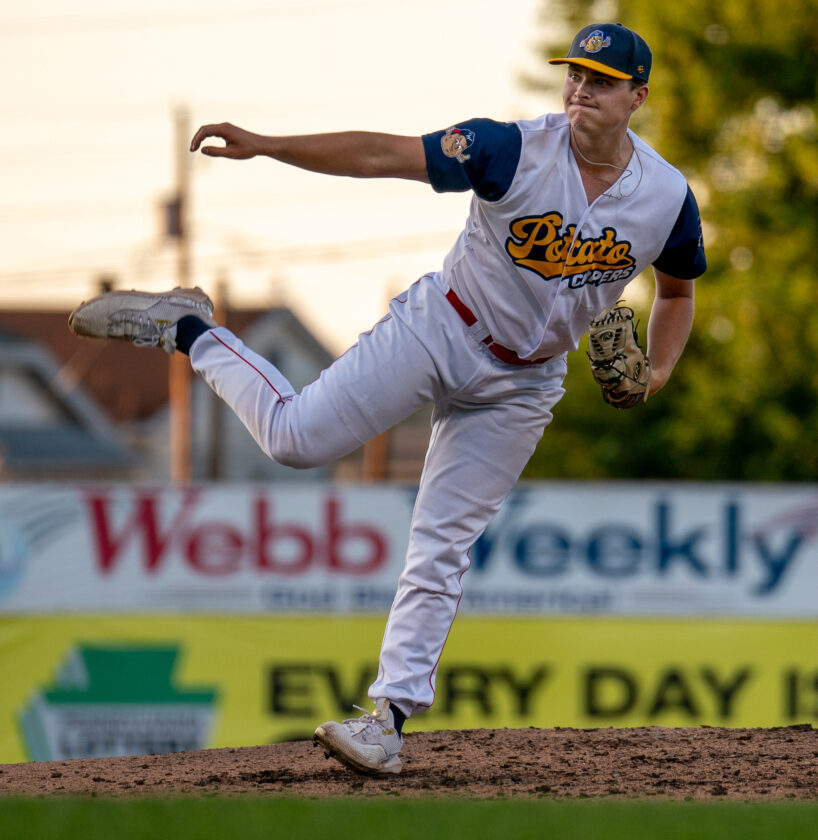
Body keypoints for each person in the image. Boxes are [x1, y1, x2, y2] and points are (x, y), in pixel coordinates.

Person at [69, 22, 706, 775]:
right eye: (574, 75)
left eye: (600, 81)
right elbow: (382, 153)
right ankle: (190, 328)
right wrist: (271, 145)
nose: (580, 90)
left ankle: (387, 722)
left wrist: (658, 373)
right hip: (443, 327)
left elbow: (677, 290)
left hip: (526, 381)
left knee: (443, 544)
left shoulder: (665, 196)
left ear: (638, 95)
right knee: (293, 440)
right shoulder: (510, 149)